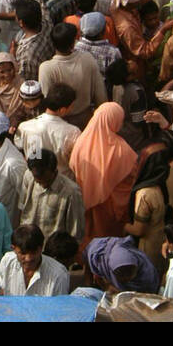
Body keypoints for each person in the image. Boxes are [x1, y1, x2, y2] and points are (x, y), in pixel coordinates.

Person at [70, 101, 139, 241]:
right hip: (110, 210)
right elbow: (134, 173)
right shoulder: (121, 149)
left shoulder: (80, 142)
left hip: (85, 205)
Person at [0, 224, 69, 296]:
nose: (28, 259)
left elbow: (60, 306)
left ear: (41, 248)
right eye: (23, 253)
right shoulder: (7, 262)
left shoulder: (58, 274)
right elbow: (3, 295)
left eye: (33, 253)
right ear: (14, 249)